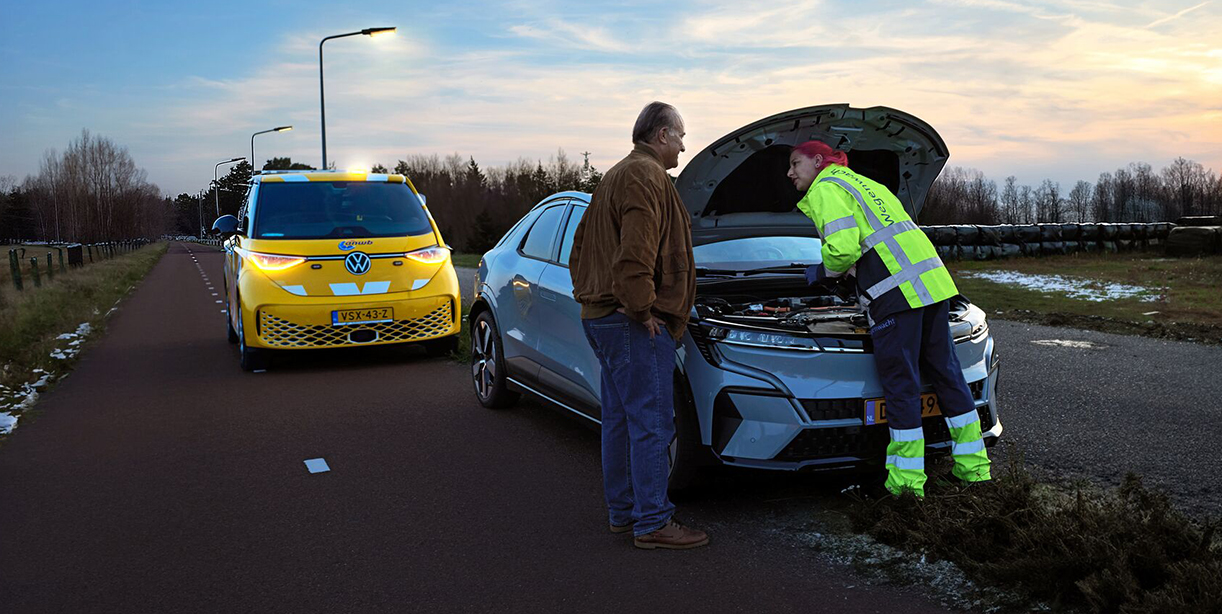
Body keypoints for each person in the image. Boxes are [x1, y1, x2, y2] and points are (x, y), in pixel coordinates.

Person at [786, 140, 992, 497]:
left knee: (901, 386)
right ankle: (974, 470)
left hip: (896, 297)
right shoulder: (867, 184)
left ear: (818, 161)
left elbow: (843, 250)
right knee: (947, 376)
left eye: (794, 164)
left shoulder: (826, 188)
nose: (790, 173)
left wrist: (820, 272)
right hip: (935, 287)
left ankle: (906, 485)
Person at [569, 102, 709, 549]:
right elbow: (637, 251)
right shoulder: (646, 176)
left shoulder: (614, 175)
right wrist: (643, 309)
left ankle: (624, 514)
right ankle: (653, 523)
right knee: (651, 423)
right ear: (662, 135)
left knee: (619, 420)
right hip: (631, 321)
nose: (685, 147)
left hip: (603, 316)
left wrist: (596, 297)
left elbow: (579, 249)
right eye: (681, 136)